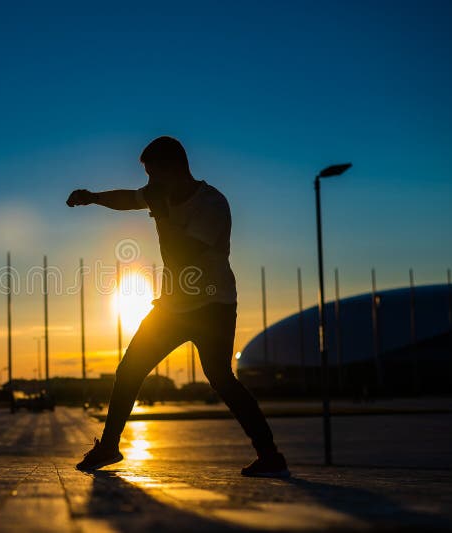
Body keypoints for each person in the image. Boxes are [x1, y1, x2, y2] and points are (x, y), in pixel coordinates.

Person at [66, 136, 289, 478]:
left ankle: (269, 454)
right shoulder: (161, 194)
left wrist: (162, 213)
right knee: (129, 370)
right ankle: (110, 447)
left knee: (220, 377)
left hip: (213, 305)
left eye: (155, 176)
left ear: (176, 169)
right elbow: (129, 198)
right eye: (148, 177)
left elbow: (183, 255)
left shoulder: (212, 204)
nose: (150, 185)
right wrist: (94, 198)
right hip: (172, 306)